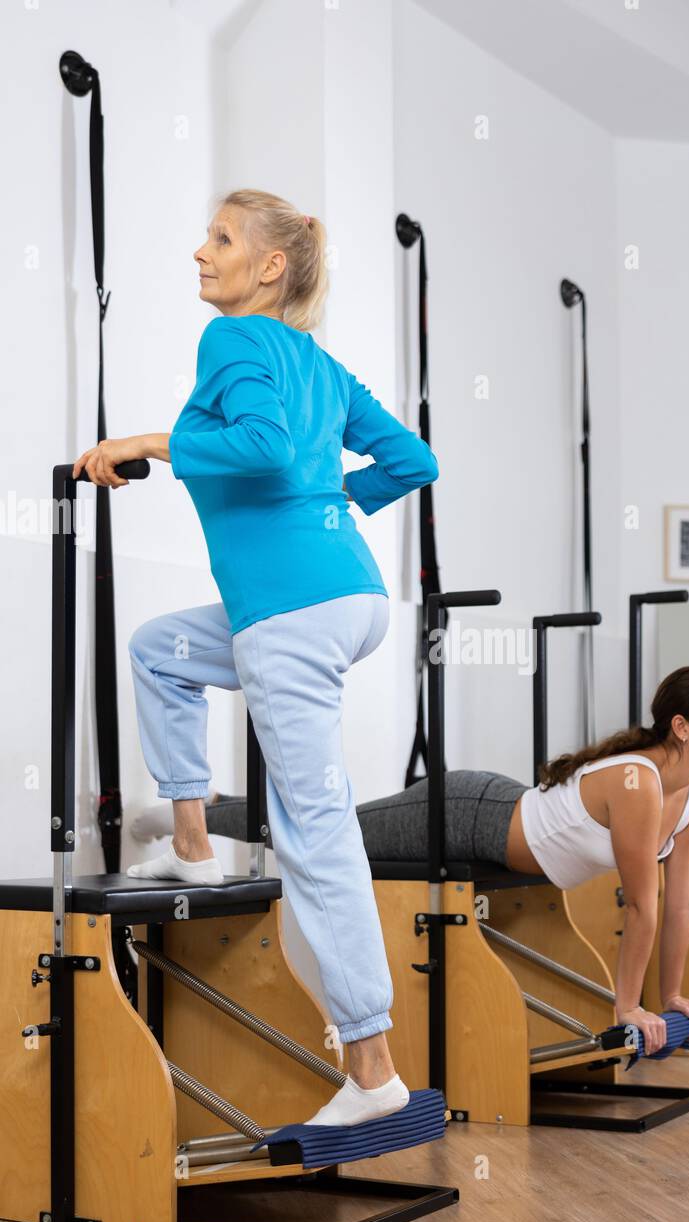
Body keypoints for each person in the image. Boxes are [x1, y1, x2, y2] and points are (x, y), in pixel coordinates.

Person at [71, 188, 438, 1128]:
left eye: (221, 239)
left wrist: (151, 439)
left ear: (269, 266)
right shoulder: (316, 361)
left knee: (315, 828)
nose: (202, 252)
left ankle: (372, 1069)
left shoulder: (232, 342)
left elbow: (267, 447)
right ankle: (192, 842)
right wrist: (332, 504)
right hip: (347, 599)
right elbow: (412, 462)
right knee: (160, 650)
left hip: (291, 611)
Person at [131, 666, 689, 1057]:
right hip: (466, 812)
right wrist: (628, 1006)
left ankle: (206, 809)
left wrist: (672, 995)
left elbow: (682, 901)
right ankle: (192, 814)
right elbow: (642, 905)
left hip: (492, 821)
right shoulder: (636, 782)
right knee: (324, 831)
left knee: (322, 829)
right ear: (682, 728)